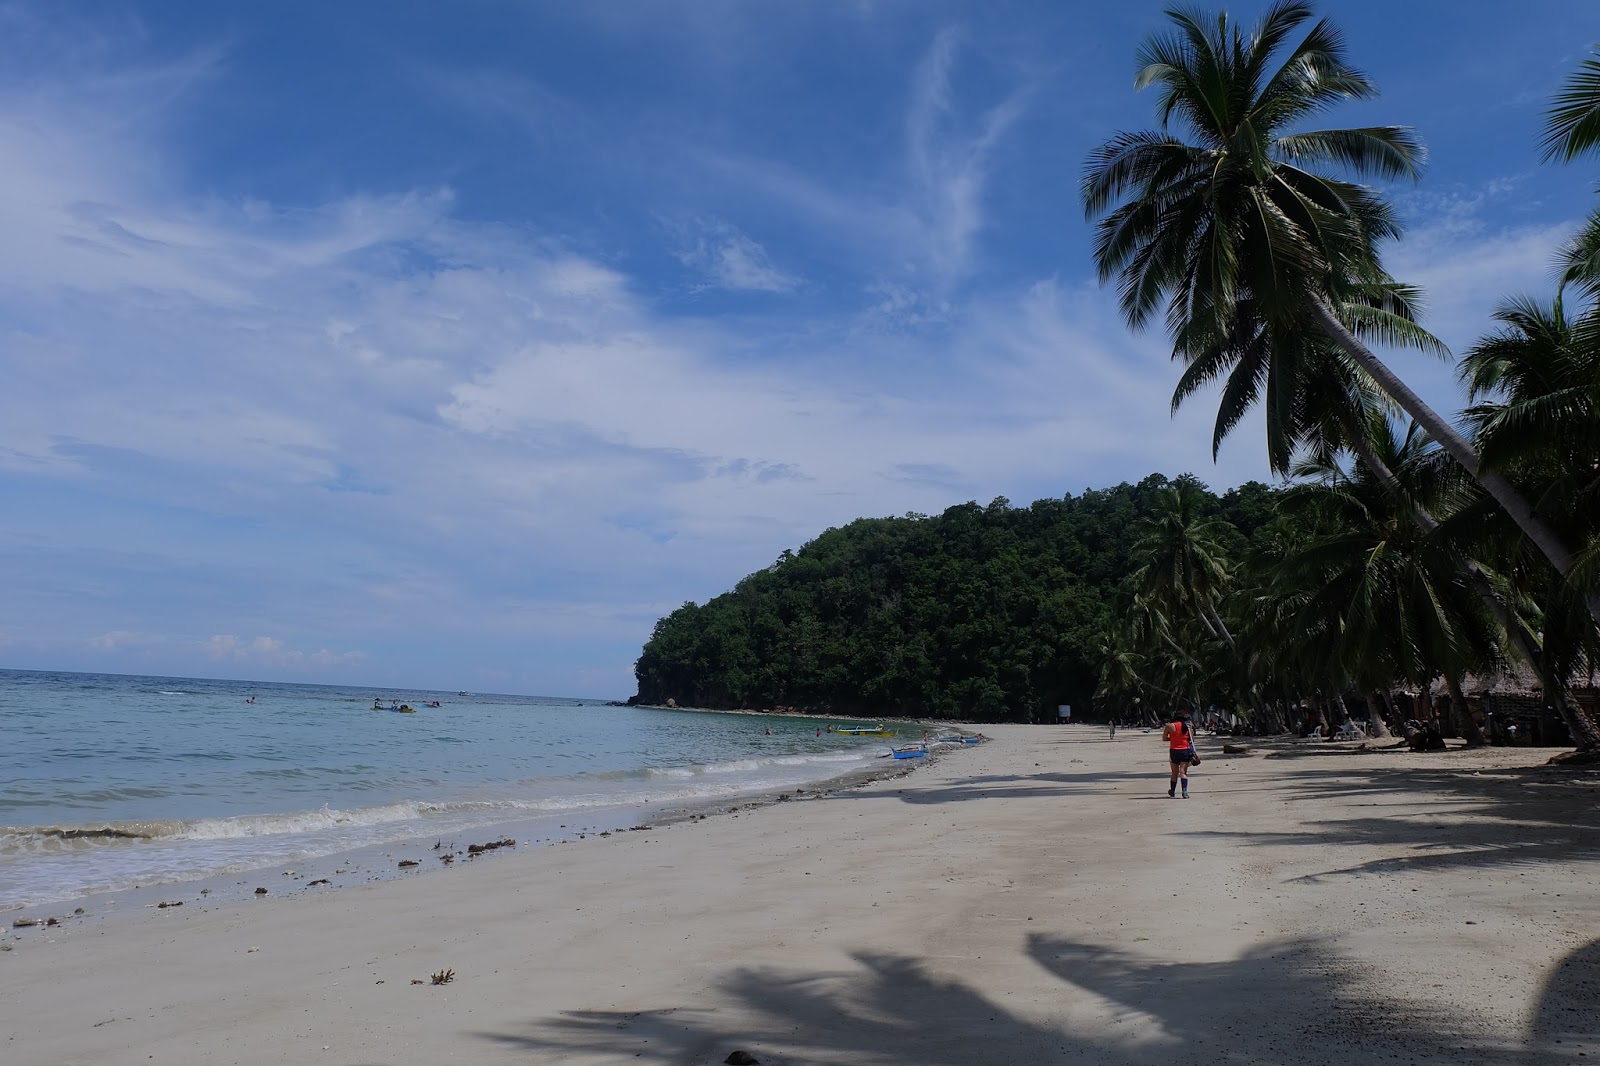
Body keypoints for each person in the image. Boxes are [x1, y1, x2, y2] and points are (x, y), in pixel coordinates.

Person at [1162, 711, 1197, 798]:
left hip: (1174, 751)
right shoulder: (1188, 726)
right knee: (1183, 772)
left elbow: (1164, 738)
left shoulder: (1169, 726)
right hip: (1185, 750)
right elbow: (1192, 739)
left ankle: (1172, 791)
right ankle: (1184, 792)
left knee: (1174, 772)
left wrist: (1174, 739)